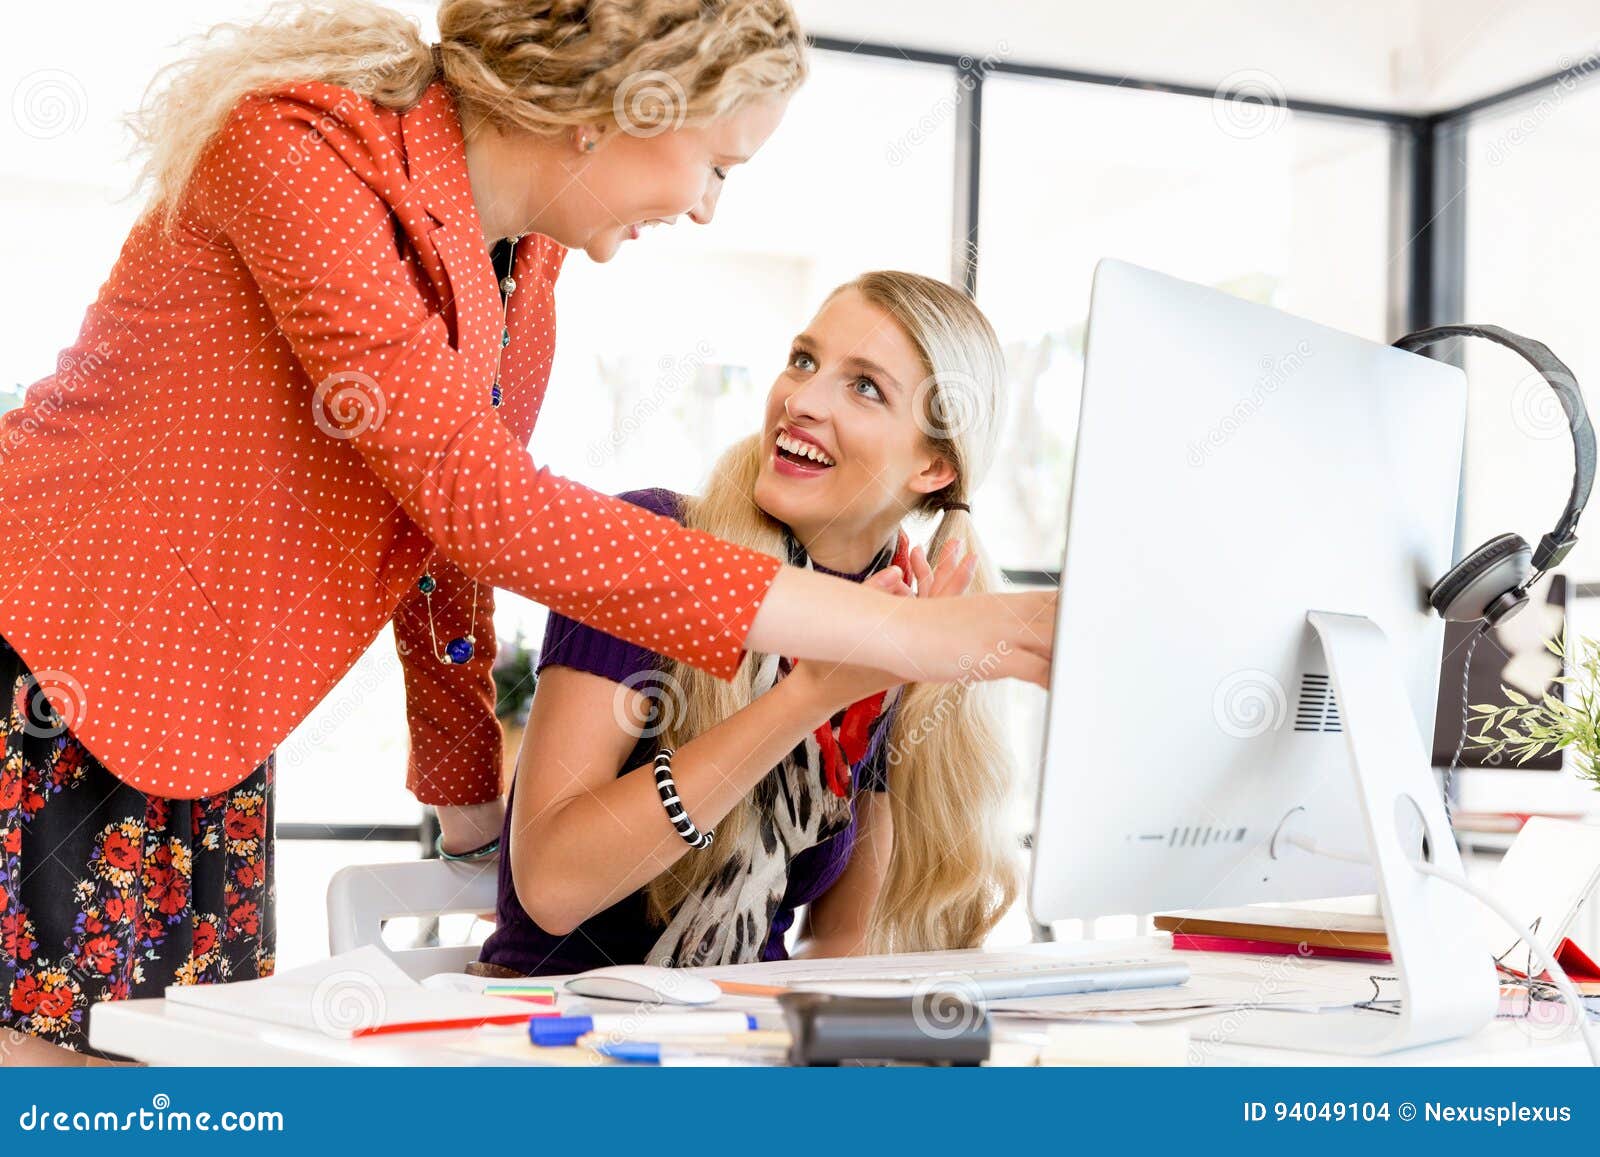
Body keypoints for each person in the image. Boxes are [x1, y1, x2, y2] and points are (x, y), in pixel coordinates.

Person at [0, 0, 1051, 1065]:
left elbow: (437, 534)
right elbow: (482, 502)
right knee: (61, 1098)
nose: (704, 210)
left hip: (200, 723)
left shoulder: (521, 266)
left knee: (170, 1089)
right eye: (717, 165)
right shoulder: (296, 153)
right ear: (624, 103)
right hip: (43, 657)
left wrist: (464, 793)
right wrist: (921, 637)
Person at [478, 272, 1020, 975]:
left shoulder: (904, 623)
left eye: (864, 387)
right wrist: (809, 696)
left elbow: (842, 942)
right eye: (804, 360)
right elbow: (552, 885)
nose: (801, 400)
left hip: (743, 1035)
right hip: (551, 1029)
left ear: (934, 466)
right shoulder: (651, 546)